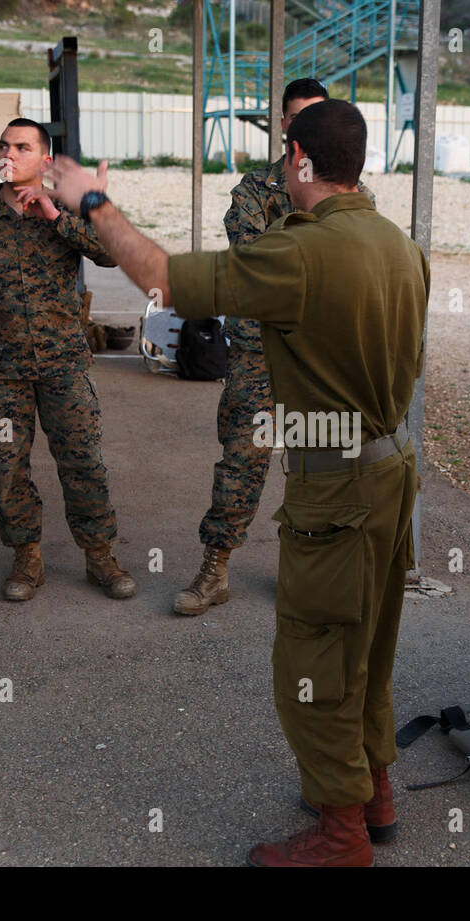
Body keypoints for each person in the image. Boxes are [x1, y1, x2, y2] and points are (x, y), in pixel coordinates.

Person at [42, 98, 429, 867]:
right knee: (370, 647)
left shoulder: (301, 252)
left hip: (338, 485)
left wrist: (90, 197)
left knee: (314, 664)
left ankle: (343, 836)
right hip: (392, 470)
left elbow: (158, 278)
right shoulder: (398, 244)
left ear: (299, 160)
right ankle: (373, 791)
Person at [174, 78, 375, 617]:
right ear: (285, 126)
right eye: (299, 117)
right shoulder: (254, 190)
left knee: (322, 469)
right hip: (259, 355)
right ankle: (215, 568)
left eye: (319, 116)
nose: (308, 125)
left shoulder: (357, 196)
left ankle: (308, 575)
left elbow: (351, 267)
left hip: (322, 359)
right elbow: (257, 266)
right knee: (242, 461)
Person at [0, 118, 134, 602]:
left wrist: (56, 217)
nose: (9, 154)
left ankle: (99, 554)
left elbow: (111, 252)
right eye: (3, 145)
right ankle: (26, 556)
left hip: (64, 364)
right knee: (9, 465)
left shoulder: (67, 210)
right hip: (0, 368)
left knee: (83, 461)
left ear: (46, 160)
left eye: (22, 146)